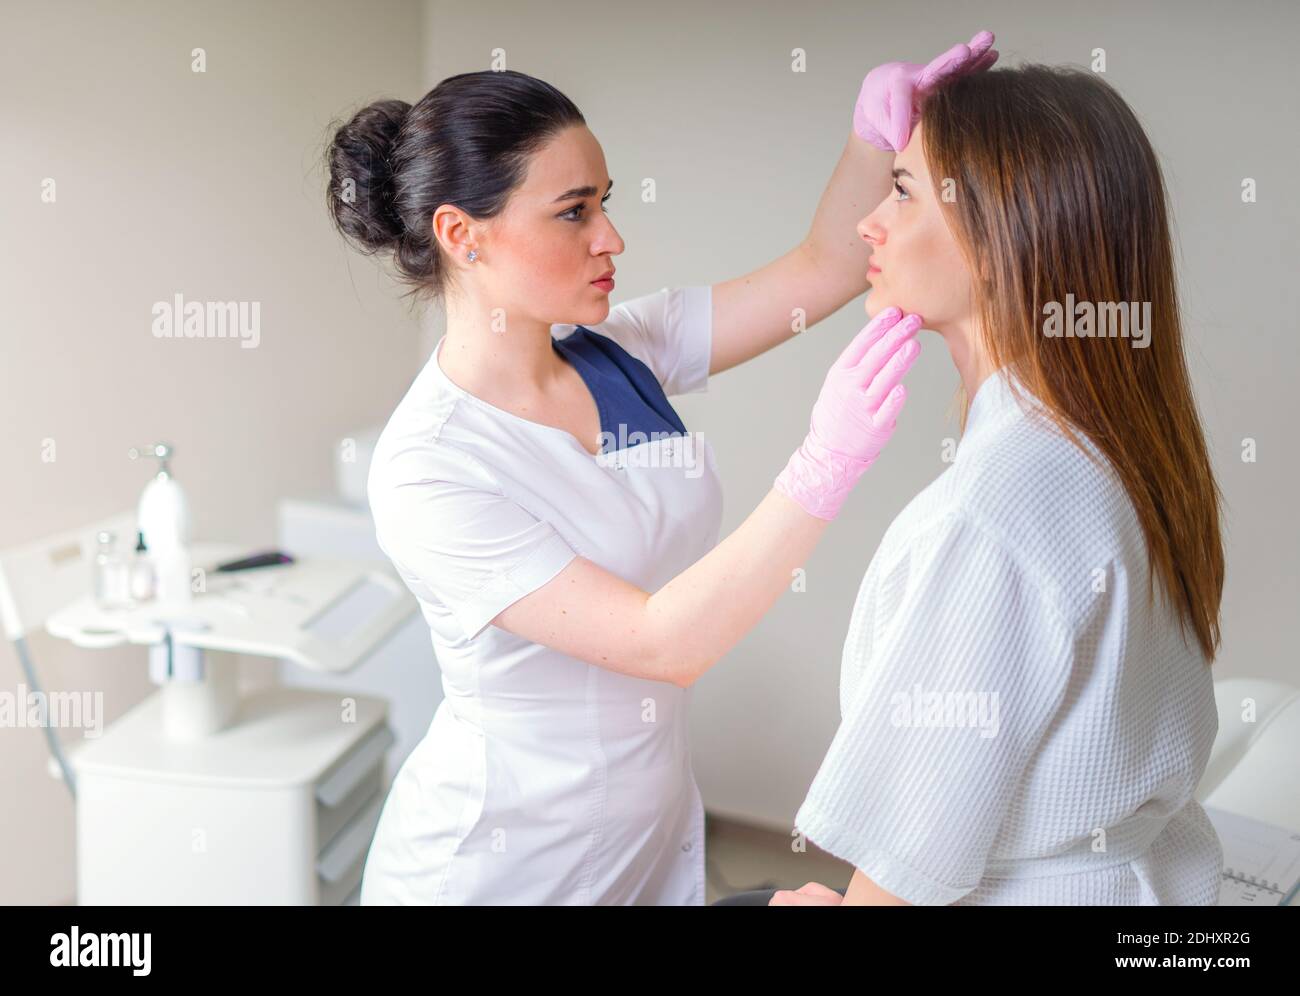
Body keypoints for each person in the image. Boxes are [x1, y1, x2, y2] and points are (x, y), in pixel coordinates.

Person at [323, 36, 998, 904]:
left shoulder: (623, 351)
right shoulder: (428, 468)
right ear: (462, 235)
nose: (613, 237)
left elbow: (822, 269)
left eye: (604, 203)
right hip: (501, 866)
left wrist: (875, 137)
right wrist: (824, 465)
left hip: (650, 834)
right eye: (574, 213)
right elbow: (659, 644)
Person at [736, 63, 1225, 906]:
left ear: (1001, 238)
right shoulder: (1129, 443)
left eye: (901, 193)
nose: (869, 226)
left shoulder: (989, 512)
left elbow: (904, 859)